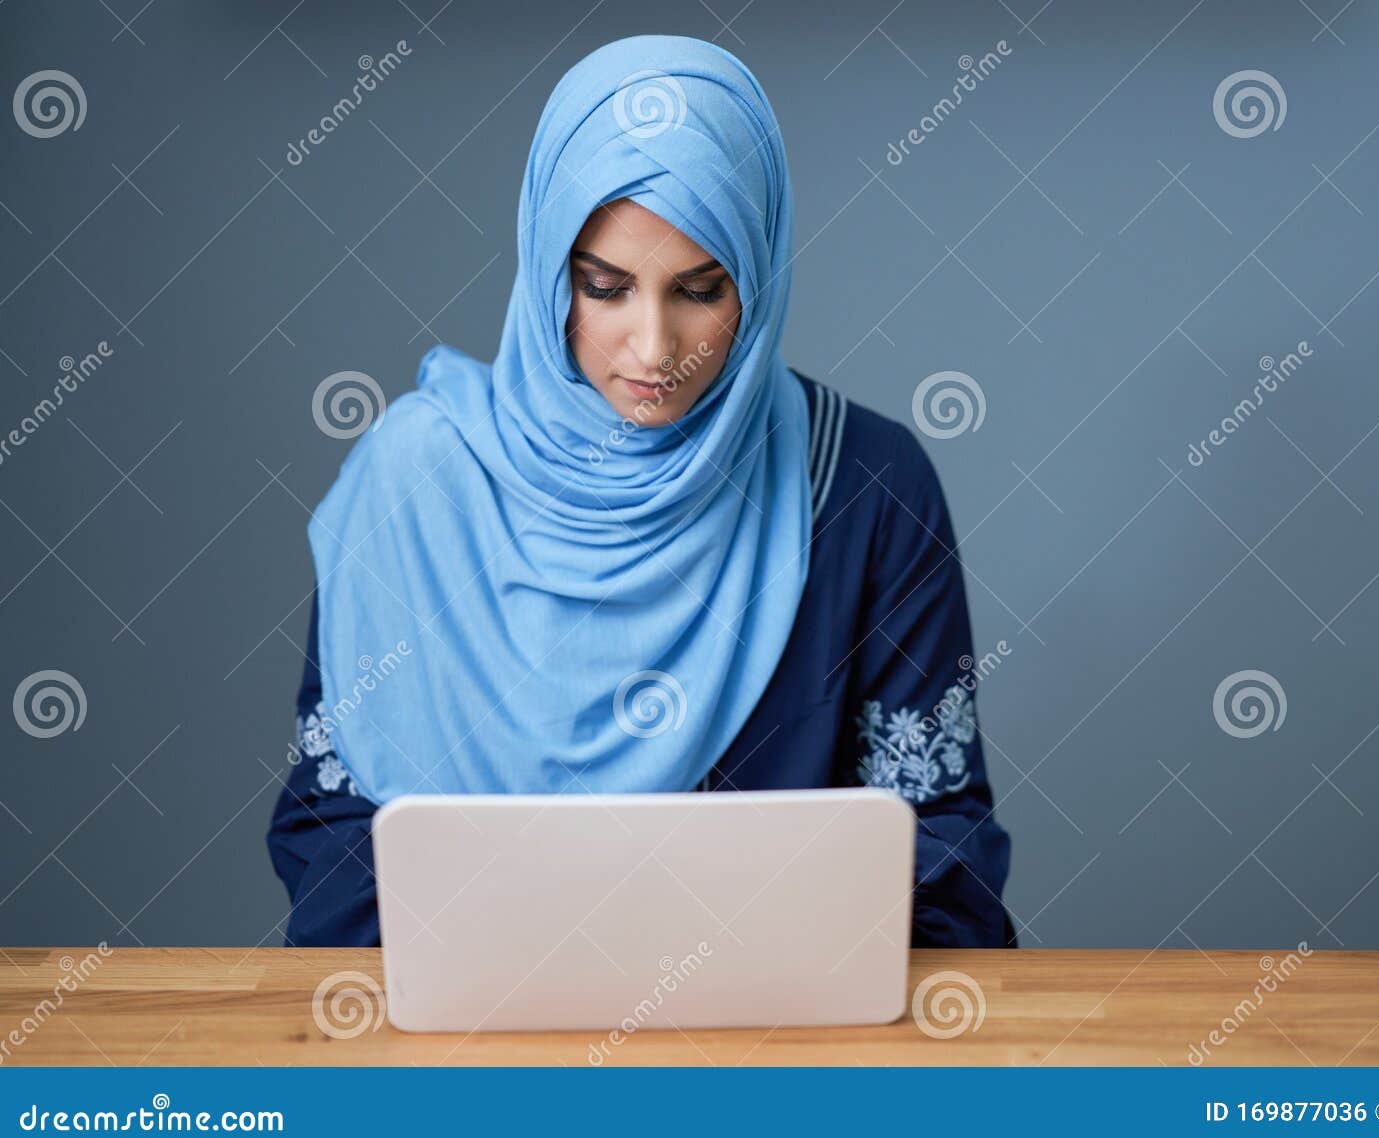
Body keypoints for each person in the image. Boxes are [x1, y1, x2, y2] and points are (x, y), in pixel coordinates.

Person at [265, 34, 1013, 950]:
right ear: (549, 273)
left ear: (760, 279)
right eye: (607, 288)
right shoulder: (417, 485)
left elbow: (944, 850)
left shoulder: (863, 483)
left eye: (701, 290)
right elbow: (333, 827)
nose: (656, 348)